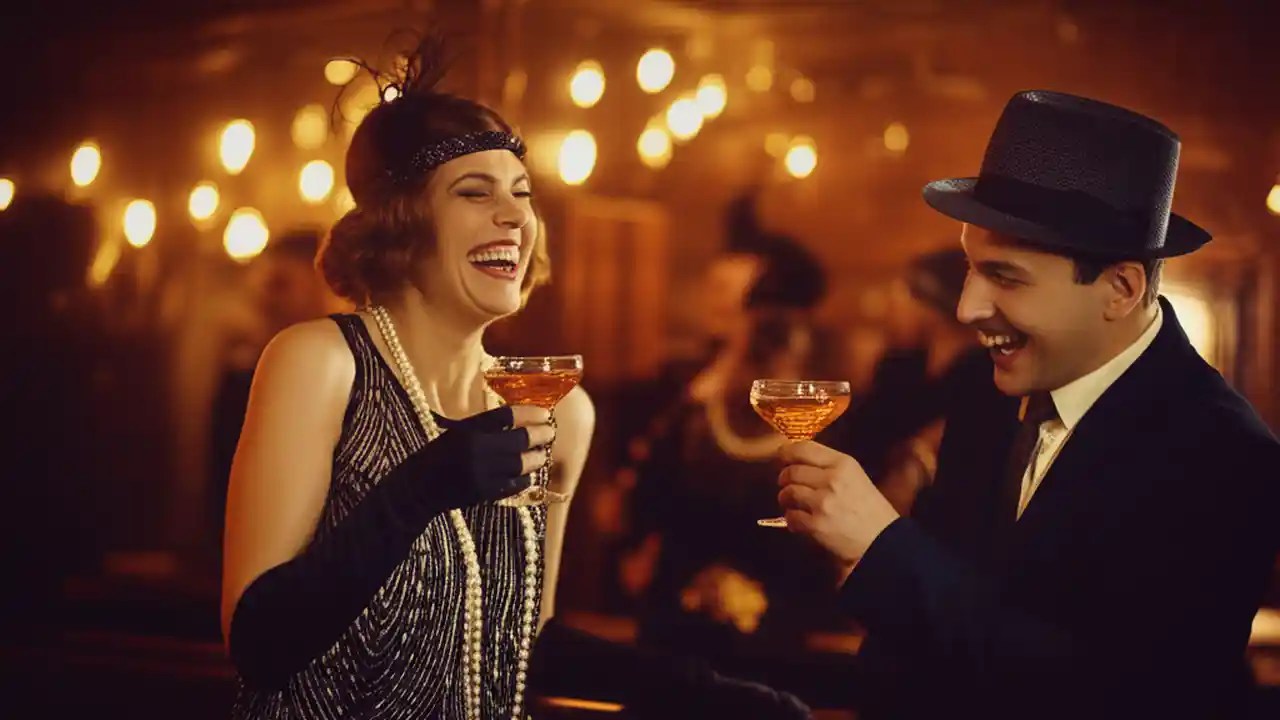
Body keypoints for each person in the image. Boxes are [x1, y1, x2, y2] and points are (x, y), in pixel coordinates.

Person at [221, 33, 809, 719]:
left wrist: (708, 694)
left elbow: (525, 644)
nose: (515, 217)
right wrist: (419, 490)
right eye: (475, 192)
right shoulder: (320, 362)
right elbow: (260, 645)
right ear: (399, 223)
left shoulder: (560, 413)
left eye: (522, 194)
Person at [776, 90, 1280, 719]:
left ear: (1119, 288)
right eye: (970, 268)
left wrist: (883, 549)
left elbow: (1116, 697)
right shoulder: (986, 396)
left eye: (1006, 276)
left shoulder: (1224, 457)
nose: (967, 309)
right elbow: (909, 652)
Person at [620, 234, 838, 665]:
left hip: (772, 646)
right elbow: (644, 512)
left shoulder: (830, 426)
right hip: (682, 630)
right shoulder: (691, 413)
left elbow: (826, 556)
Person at [820, 246, 993, 514]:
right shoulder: (900, 367)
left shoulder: (984, 376)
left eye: (902, 296)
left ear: (932, 306)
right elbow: (858, 436)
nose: (889, 307)